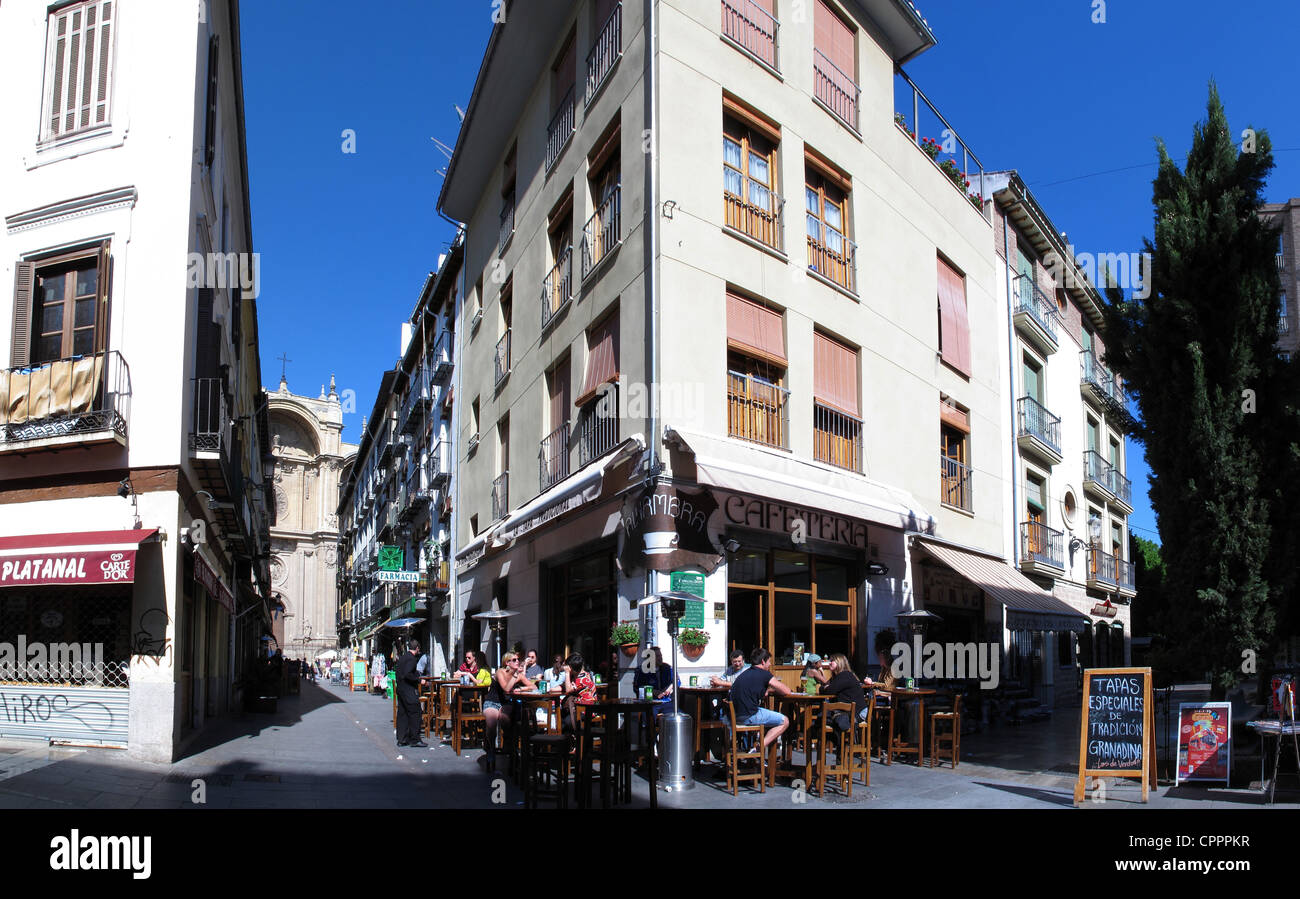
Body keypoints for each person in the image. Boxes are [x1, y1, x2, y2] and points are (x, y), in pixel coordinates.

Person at [727, 648, 791, 752]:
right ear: (763, 661)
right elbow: (787, 691)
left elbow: (760, 692)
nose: (770, 664)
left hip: (735, 716)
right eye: (769, 661)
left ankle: (758, 751)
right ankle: (759, 748)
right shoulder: (764, 674)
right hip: (749, 715)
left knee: (769, 717)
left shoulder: (745, 674)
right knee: (784, 721)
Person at [483, 651, 533, 771]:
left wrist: (521, 688)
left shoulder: (519, 675)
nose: (517, 662)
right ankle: (491, 747)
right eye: (514, 660)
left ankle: (508, 744)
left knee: (505, 718)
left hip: (507, 703)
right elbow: (506, 688)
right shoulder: (501, 672)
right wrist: (516, 676)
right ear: (507, 662)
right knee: (491, 722)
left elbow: (533, 687)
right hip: (492, 701)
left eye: (518, 660)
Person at [808, 652, 868, 731]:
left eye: (832, 660)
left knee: (824, 718)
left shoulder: (845, 675)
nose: (829, 662)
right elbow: (823, 688)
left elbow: (829, 691)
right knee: (824, 717)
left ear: (839, 662)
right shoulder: (837, 677)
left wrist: (825, 688)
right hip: (847, 710)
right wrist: (825, 688)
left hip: (858, 712)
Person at [395, 640, 427, 748]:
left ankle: (402, 739)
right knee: (415, 713)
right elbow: (407, 674)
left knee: (402, 714)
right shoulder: (412, 659)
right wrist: (418, 680)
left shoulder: (403, 657)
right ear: (417, 648)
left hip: (400, 689)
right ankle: (415, 739)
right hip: (408, 690)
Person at [632, 645, 677, 715]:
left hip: (666, 701)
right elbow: (636, 687)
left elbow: (677, 680)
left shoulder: (667, 668)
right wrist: (652, 691)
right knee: (650, 717)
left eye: (660, 656)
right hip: (650, 703)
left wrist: (670, 687)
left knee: (676, 715)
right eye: (657, 656)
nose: (660, 658)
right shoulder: (642, 670)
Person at [560, 652, 597, 732]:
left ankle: (576, 741)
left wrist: (567, 673)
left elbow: (568, 690)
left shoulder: (582, 679)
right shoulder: (582, 675)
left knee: (566, 721)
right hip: (579, 707)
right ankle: (569, 741)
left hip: (587, 709)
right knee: (561, 715)